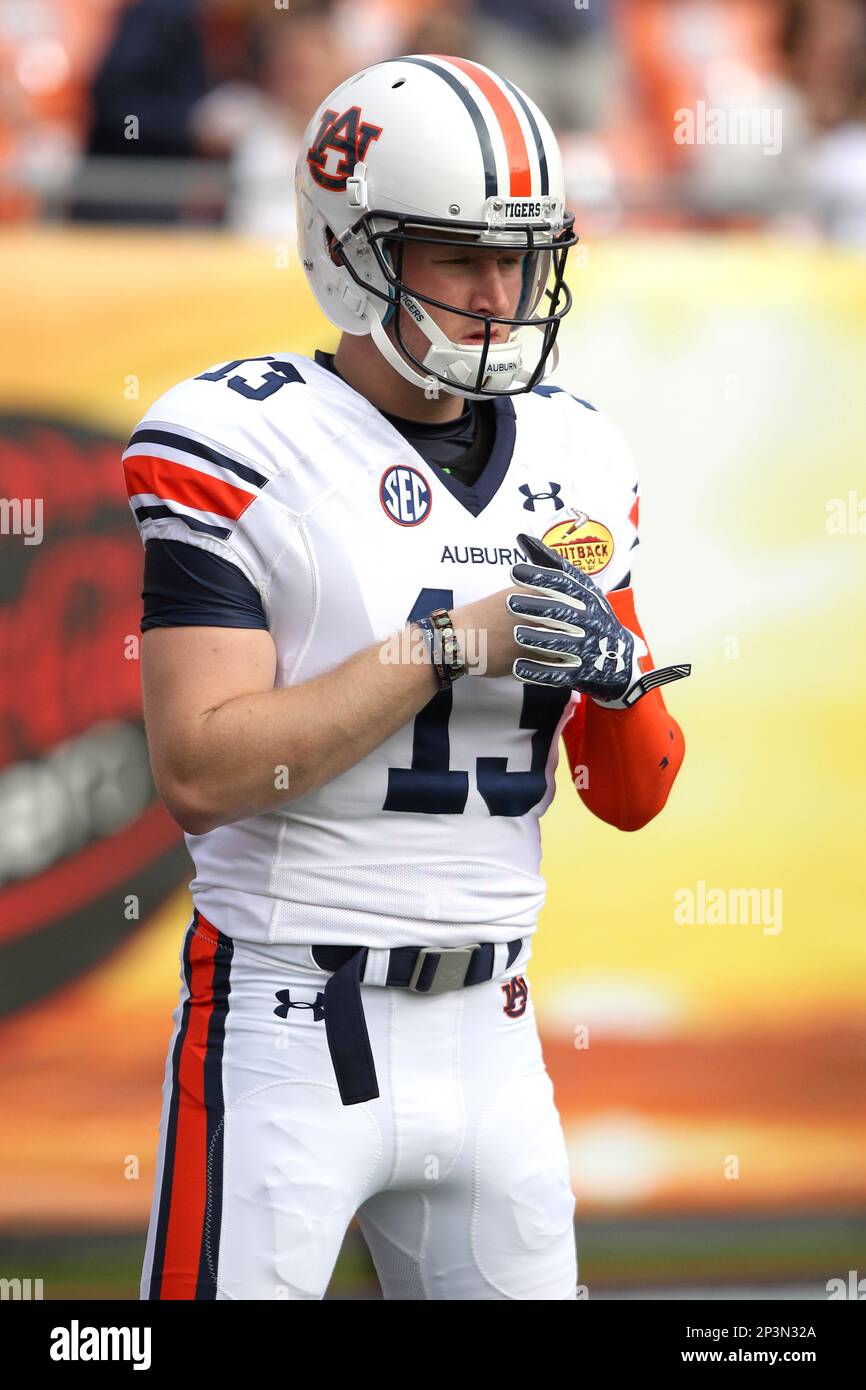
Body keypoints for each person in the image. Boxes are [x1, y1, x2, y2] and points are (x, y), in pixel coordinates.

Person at [122, 53, 689, 1301]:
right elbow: (203, 770)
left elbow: (635, 796)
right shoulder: (242, 437)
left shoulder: (579, 455)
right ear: (349, 249)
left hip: (493, 1033)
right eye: (456, 256)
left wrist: (618, 692)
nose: (498, 296)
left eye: (519, 257)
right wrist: (447, 643)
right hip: (286, 1020)